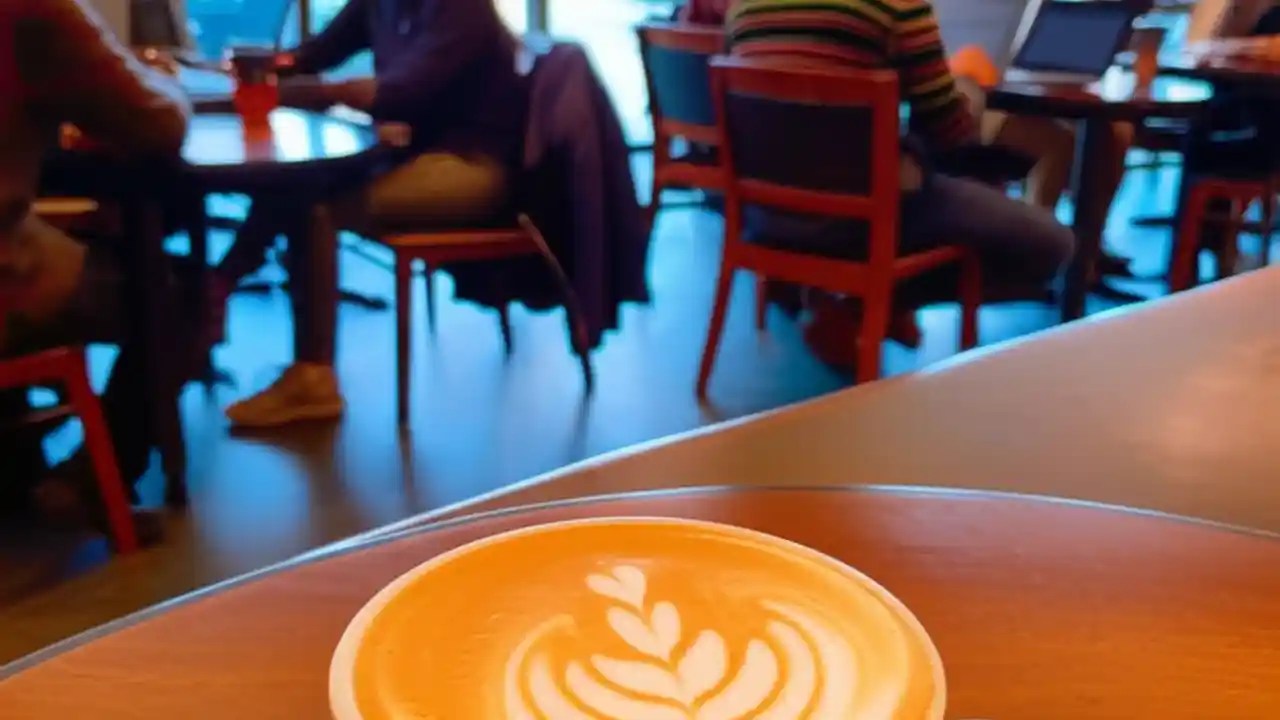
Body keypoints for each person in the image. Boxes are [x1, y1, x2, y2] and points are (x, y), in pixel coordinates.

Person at [216, 0, 528, 428]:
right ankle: (216, 290)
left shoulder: (462, 9)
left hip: (475, 166)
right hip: (417, 154)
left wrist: (313, 91)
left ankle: (310, 376)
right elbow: (314, 55)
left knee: (316, 208)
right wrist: (259, 68)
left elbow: (399, 91)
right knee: (300, 186)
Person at [726, 0, 1075, 358]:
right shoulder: (897, 7)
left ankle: (838, 301)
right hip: (858, 224)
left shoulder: (743, 9)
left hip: (764, 218)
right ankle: (867, 306)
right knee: (1053, 245)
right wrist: (967, 92)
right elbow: (950, 132)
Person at [1, 0, 193, 540]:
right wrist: (166, 77)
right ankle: (90, 485)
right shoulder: (32, 11)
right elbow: (157, 121)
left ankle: (15, 467)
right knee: (182, 295)